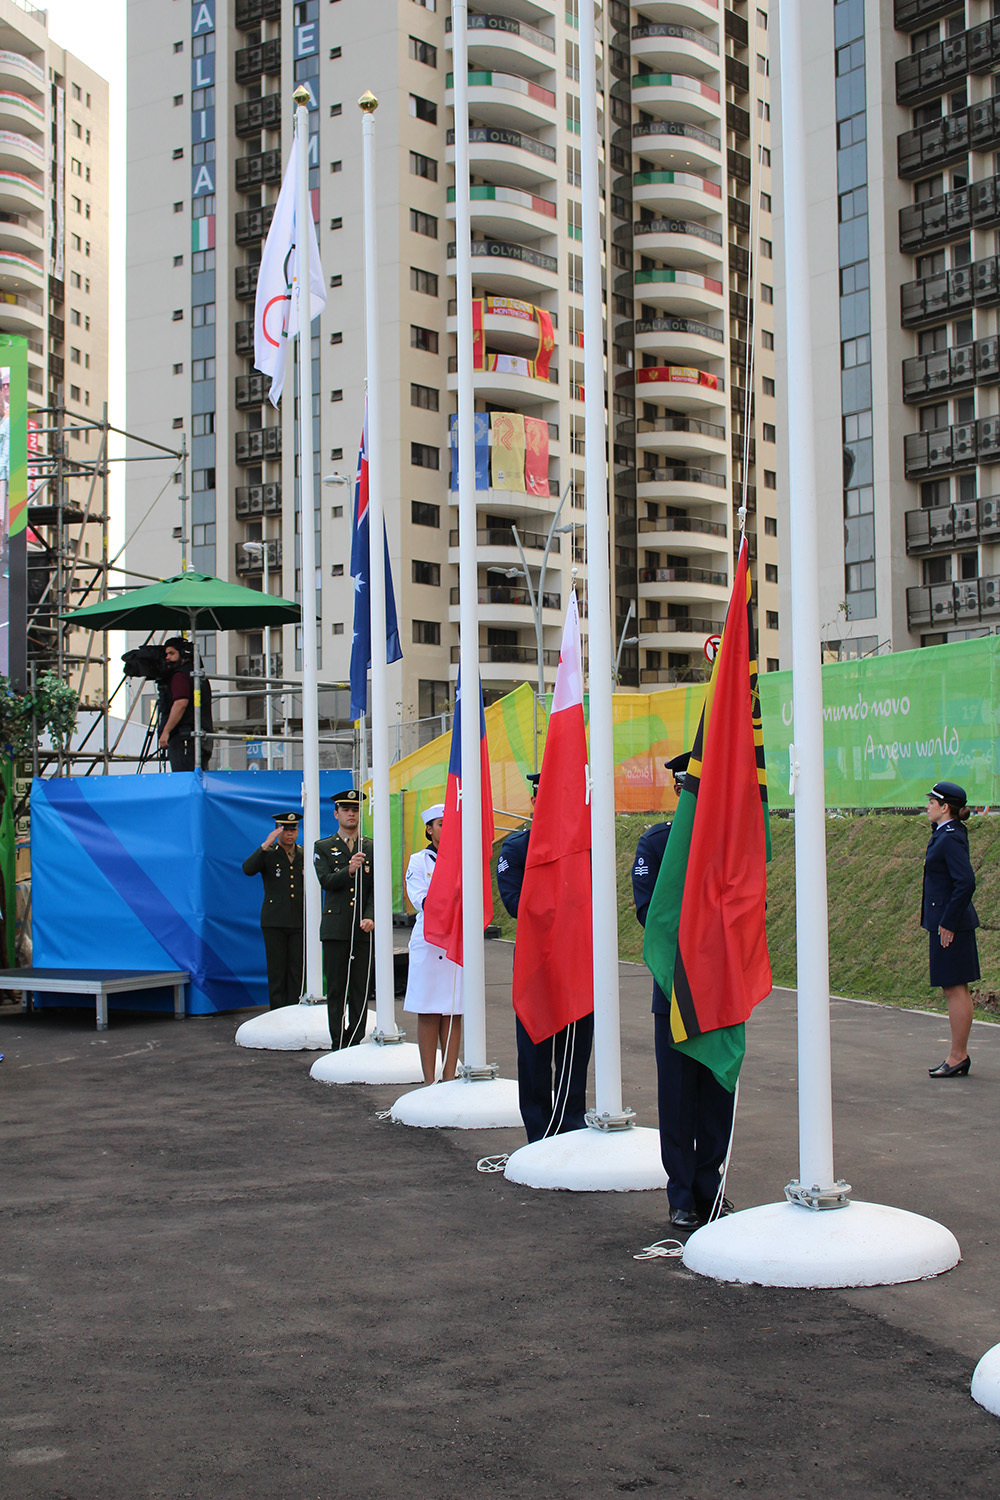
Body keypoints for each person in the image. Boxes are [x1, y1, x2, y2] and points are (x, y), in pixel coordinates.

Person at [632, 752, 734, 1230]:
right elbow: (650, 914)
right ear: (678, 790)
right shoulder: (657, 844)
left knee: (716, 1093)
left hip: (719, 990)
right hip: (674, 989)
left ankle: (710, 1189)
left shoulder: (727, 843)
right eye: (687, 788)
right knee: (677, 1098)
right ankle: (681, 1195)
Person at [498, 771, 594, 1141]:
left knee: (575, 1051)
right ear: (535, 801)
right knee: (534, 1052)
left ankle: (571, 1124)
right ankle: (538, 1133)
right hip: (535, 964)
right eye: (544, 798)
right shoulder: (517, 848)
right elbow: (514, 904)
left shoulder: (585, 846)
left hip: (576, 961)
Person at [921, 779, 979, 1078]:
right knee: (954, 987)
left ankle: (958, 1056)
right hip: (947, 921)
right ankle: (958, 1055)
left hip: (950, 924)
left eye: (932, 802)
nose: (927, 806)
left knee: (955, 988)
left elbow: (965, 882)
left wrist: (948, 921)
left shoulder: (950, 837)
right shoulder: (946, 832)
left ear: (945, 807)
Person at [402, 803, 463, 1084]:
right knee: (428, 1010)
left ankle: (449, 1078)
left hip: (455, 940)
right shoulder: (419, 861)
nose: (446, 828)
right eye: (440, 824)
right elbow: (421, 899)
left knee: (453, 1010)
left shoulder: (463, 856)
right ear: (429, 829)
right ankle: (429, 1080)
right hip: (428, 942)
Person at [313, 788, 375, 1050]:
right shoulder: (323, 846)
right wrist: (348, 870)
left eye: (355, 809)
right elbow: (325, 881)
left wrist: (370, 916)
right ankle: (337, 1042)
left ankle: (355, 1039)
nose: (351, 814)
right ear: (336, 814)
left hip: (362, 929)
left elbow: (376, 888)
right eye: (346, 810)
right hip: (336, 927)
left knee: (360, 988)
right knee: (337, 988)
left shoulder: (370, 846)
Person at [242, 812, 304, 1010]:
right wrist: (265, 845)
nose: (289, 834)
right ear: (277, 831)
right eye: (285, 830)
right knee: (277, 970)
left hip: (298, 920)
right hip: (274, 921)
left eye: (293, 829)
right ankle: (277, 1011)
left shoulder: (303, 854)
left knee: (296, 970)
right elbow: (248, 869)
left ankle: (293, 1010)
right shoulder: (269, 853)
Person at [157, 636, 213, 771]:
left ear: (183, 654)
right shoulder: (198, 675)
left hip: (185, 737)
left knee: (184, 776)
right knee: (198, 775)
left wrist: (166, 731)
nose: (167, 658)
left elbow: (180, 703)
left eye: (171, 653)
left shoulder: (180, 676)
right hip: (201, 735)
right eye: (166, 654)